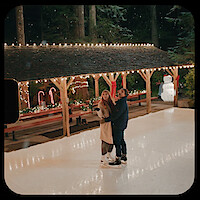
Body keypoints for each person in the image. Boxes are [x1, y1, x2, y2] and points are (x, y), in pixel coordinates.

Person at [105, 88, 129, 166]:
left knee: (117, 141)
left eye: (122, 92)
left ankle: (118, 158)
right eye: (119, 91)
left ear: (125, 94)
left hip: (118, 124)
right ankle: (124, 155)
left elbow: (117, 114)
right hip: (121, 124)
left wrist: (108, 119)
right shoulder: (121, 102)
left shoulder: (122, 103)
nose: (119, 92)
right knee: (121, 140)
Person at [95, 90, 115, 165]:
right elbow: (100, 115)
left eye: (106, 94)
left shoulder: (111, 102)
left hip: (112, 123)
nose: (105, 96)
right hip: (105, 123)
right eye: (104, 94)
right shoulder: (101, 103)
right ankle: (103, 157)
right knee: (105, 139)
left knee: (112, 139)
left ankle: (109, 154)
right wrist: (99, 112)